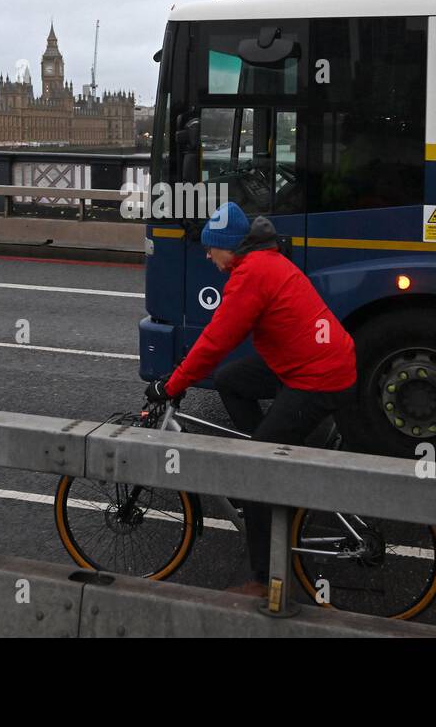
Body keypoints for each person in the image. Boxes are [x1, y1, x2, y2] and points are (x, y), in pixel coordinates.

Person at [145, 201, 357, 597]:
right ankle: (271, 455)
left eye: (212, 248)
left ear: (231, 246)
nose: (207, 255)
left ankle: (264, 580)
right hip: (308, 361)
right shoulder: (260, 263)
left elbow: (215, 341)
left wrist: (172, 385)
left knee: (257, 469)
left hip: (318, 376)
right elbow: (222, 345)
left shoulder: (253, 273)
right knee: (231, 380)